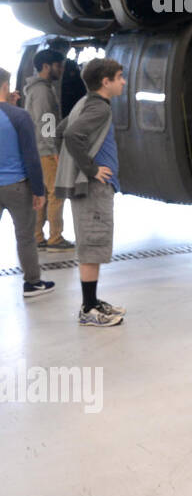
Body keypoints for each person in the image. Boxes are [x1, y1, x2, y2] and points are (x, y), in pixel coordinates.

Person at [55, 58, 127, 327]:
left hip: (92, 187)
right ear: (105, 82)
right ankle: (88, 309)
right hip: (93, 189)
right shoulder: (99, 109)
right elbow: (72, 135)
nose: (123, 82)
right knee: (92, 246)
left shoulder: (85, 103)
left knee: (93, 244)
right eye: (119, 77)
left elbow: (61, 130)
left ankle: (93, 301)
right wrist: (91, 169)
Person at [0, 67, 54, 299]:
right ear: (5, 85)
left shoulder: (16, 114)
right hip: (17, 185)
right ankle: (32, 283)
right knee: (25, 236)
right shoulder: (20, 116)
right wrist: (39, 190)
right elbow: (31, 155)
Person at [24, 49, 72, 251]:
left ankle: (37, 236)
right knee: (56, 192)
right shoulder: (43, 91)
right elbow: (47, 122)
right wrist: (54, 150)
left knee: (42, 193)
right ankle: (55, 238)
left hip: (37, 149)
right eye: (58, 65)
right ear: (46, 66)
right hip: (45, 150)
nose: (61, 69)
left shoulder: (37, 88)